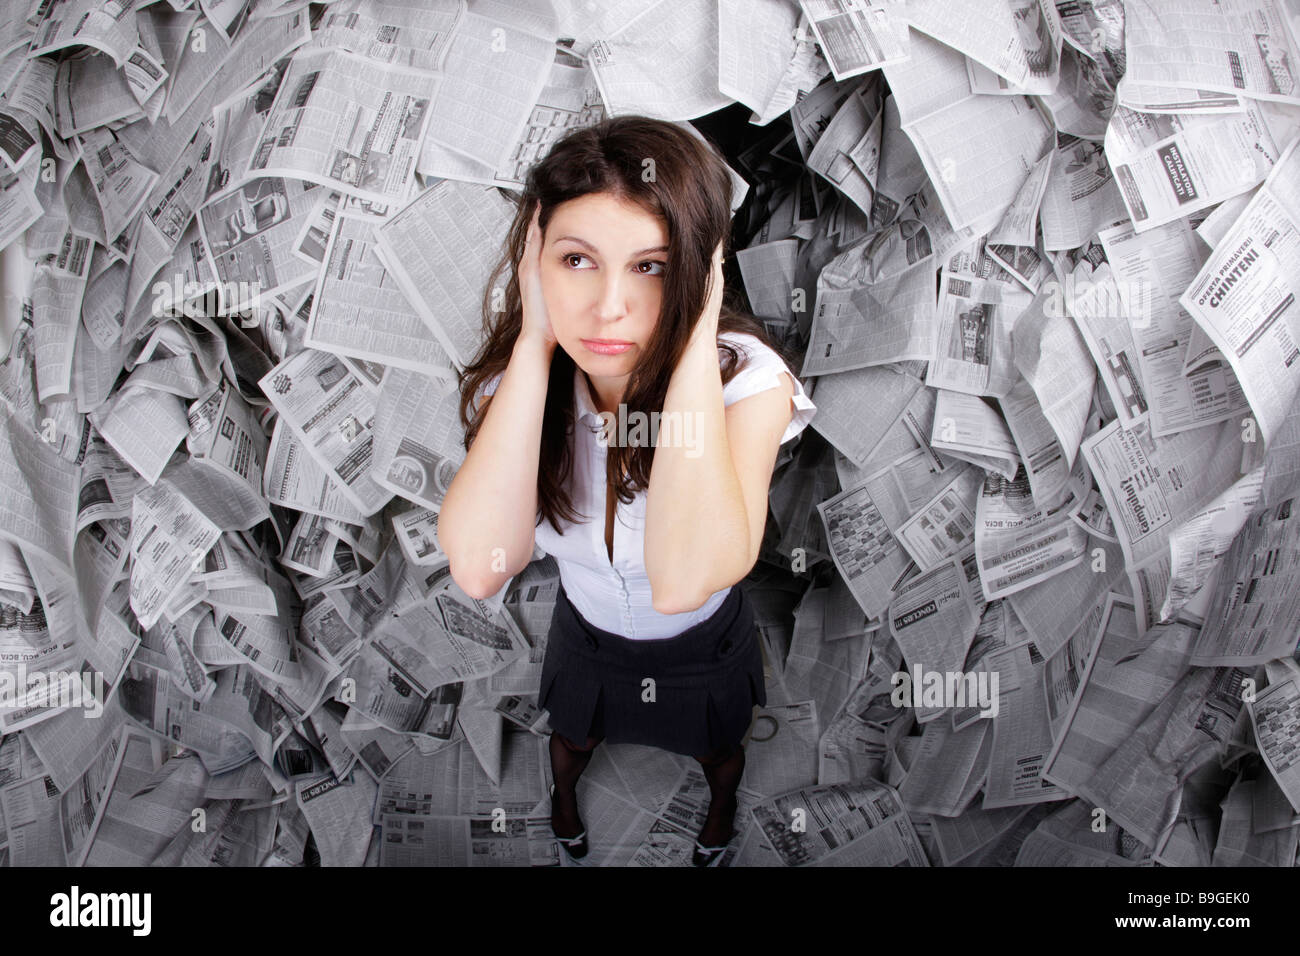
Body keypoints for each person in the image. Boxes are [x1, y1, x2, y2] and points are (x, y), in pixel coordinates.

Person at [440, 116, 816, 866]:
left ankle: (716, 822)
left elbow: (680, 583)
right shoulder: (519, 387)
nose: (609, 307)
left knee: (718, 750)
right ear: (534, 259)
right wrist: (534, 342)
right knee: (571, 740)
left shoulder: (749, 381)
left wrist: (695, 333)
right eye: (576, 259)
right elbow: (482, 566)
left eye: (652, 267)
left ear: (698, 273)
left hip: (702, 643)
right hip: (585, 631)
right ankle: (564, 810)